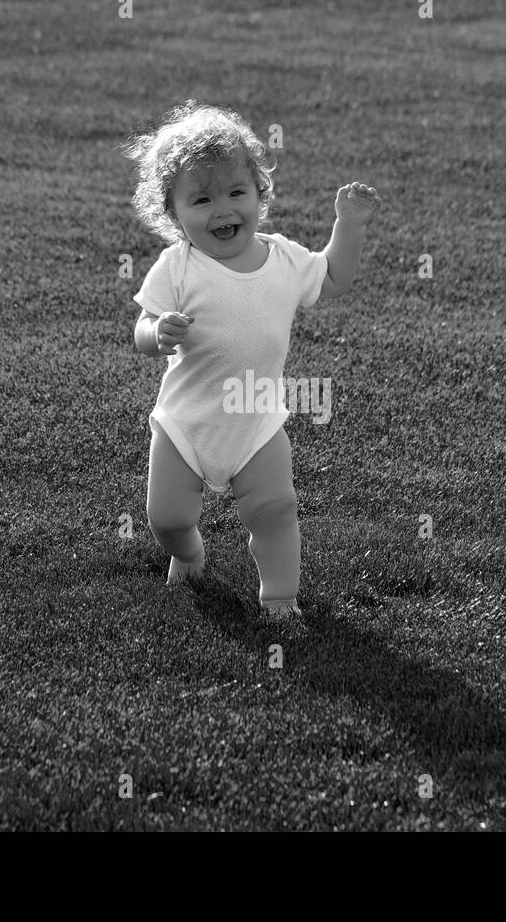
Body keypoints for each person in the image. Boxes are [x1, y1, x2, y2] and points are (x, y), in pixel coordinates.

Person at [124, 100, 381, 619]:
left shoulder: (283, 259)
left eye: (236, 192)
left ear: (259, 196)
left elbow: (334, 279)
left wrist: (348, 227)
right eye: (201, 200)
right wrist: (158, 331)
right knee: (167, 517)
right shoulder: (178, 267)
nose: (223, 210)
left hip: (258, 421)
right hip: (187, 423)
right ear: (174, 215)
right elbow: (141, 332)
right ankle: (189, 552)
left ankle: (280, 600)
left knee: (276, 509)